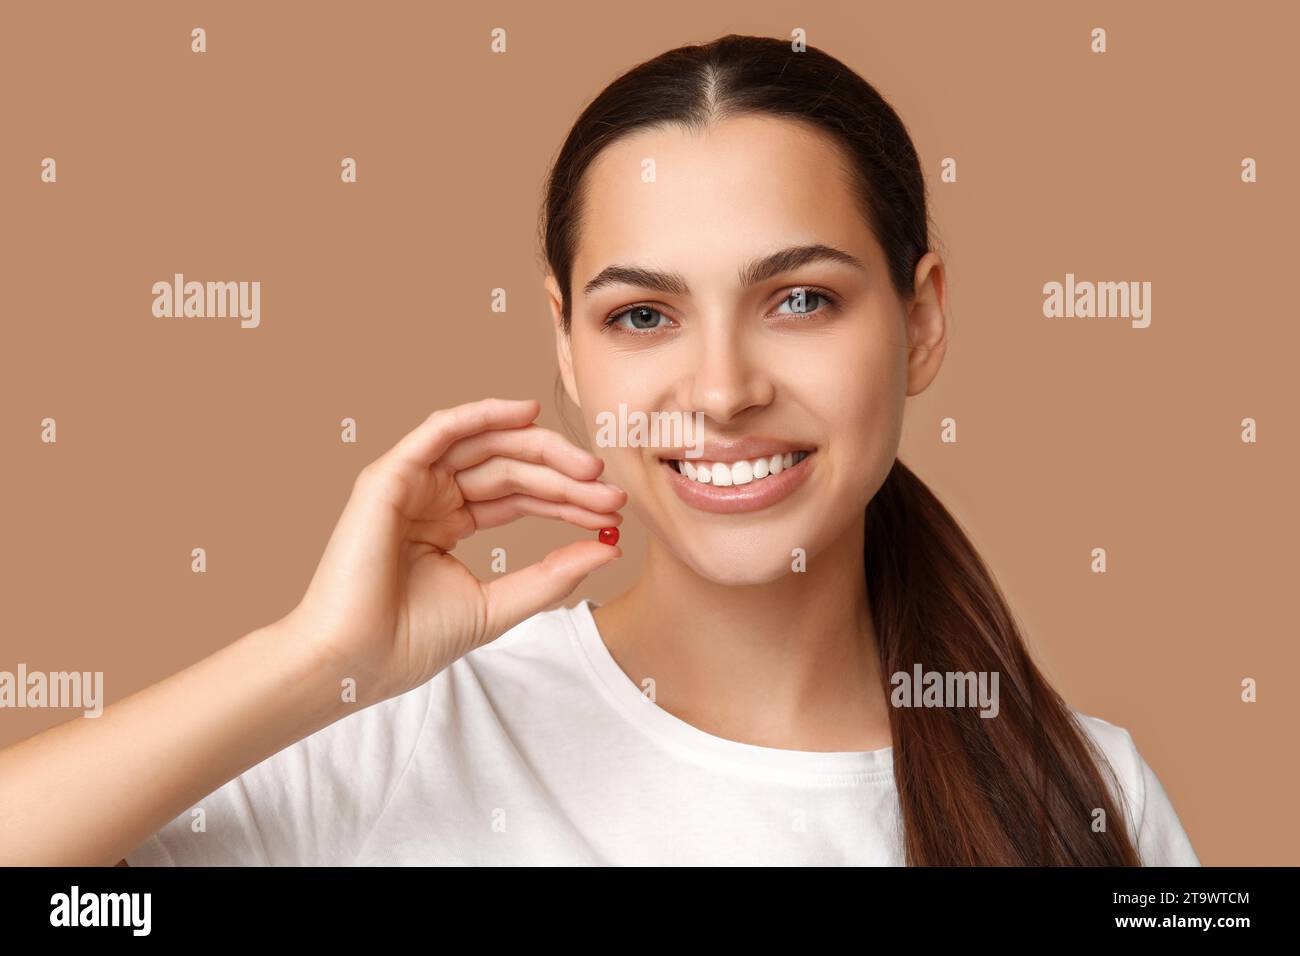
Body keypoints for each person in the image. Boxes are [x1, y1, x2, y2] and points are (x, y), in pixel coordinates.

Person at [0, 34, 1198, 866]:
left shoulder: (1078, 790)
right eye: (641, 315)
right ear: (568, 354)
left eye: (799, 300)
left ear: (921, 317)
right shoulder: (395, 729)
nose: (722, 391)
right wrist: (316, 659)